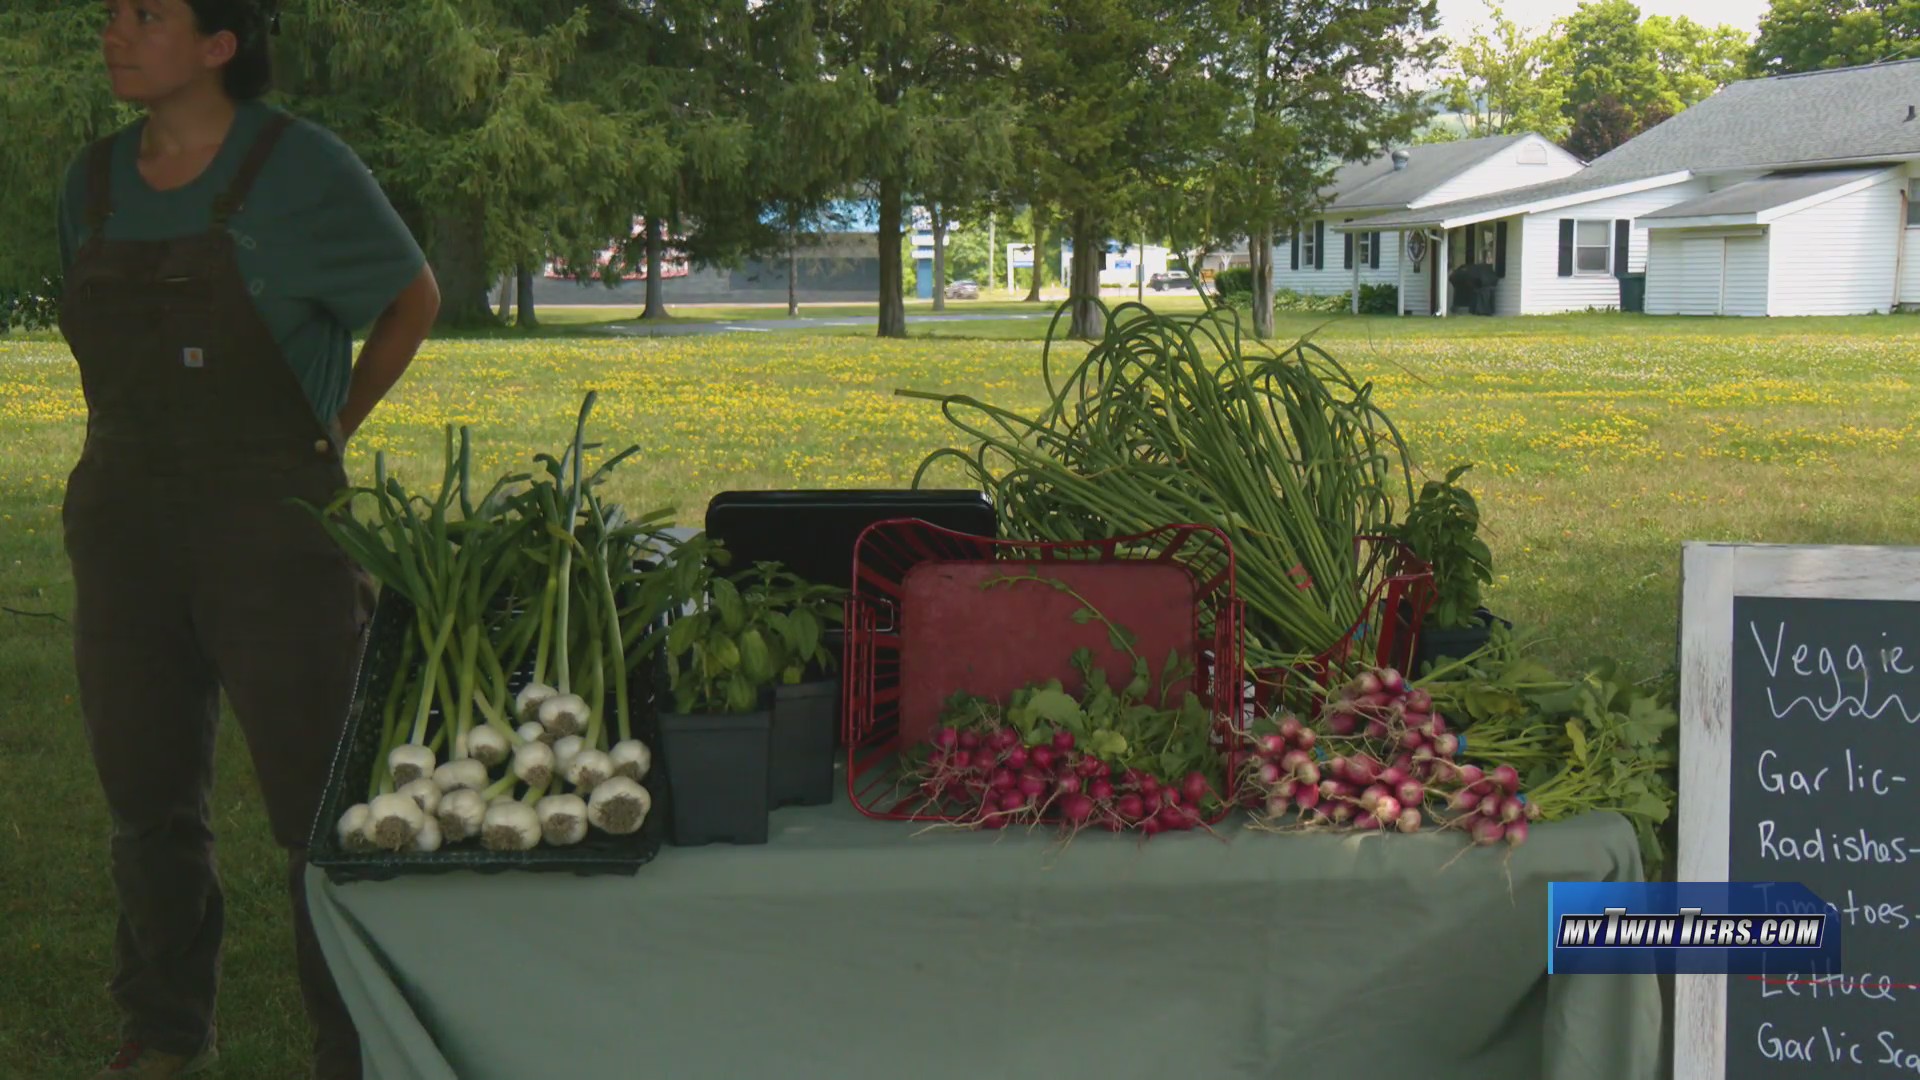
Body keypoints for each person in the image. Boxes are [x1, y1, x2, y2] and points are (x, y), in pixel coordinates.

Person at [56, 1, 439, 1077]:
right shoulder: (88, 184)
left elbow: (412, 297)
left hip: (275, 531)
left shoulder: (302, 167)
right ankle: (164, 1029)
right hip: (124, 525)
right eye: (112, 15)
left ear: (221, 45)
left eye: (146, 15)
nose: (114, 32)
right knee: (146, 799)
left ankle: (355, 1043)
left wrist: (336, 426)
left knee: (321, 805)